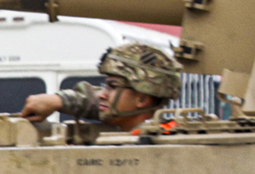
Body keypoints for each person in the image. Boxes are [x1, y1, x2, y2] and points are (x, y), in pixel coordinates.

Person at [20, 41, 181, 133]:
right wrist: (58, 100)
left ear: (142, 99)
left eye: (112, 86)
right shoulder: (136, 135)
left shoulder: (165, 139)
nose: (101, 95)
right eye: (106, 86)